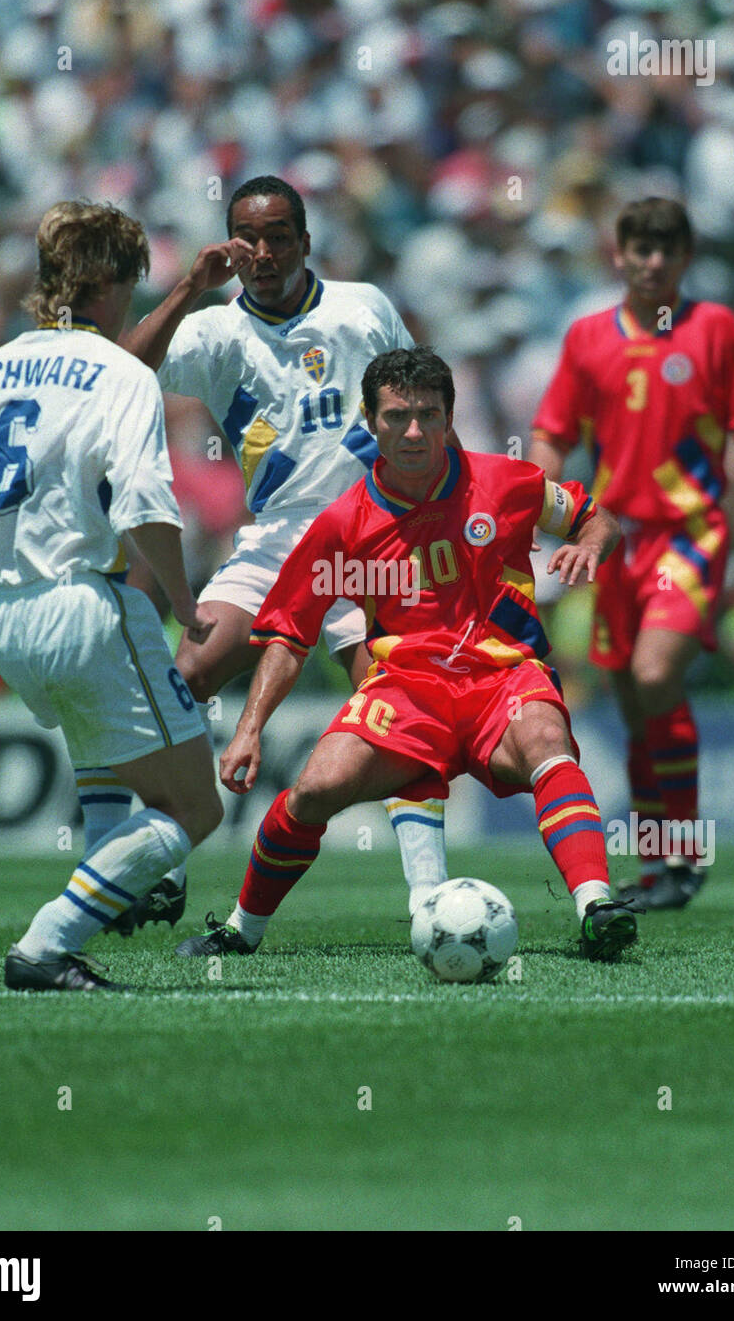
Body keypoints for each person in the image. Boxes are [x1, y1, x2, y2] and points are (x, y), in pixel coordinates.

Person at [194, 346, 637, 963]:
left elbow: (597, 519)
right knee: (313, 792)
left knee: (545, 739)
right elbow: (290, 635)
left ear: (450, 419)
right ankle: (241, 929)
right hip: (405, 689)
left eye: (429, 415)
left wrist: (590, 547)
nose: (413, 431)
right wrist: (248, 730)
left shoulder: (507, 483)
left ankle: (597, 907)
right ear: (370, 422)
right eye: (398, 415)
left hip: (502, 676)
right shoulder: (343, 525)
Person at [118, 175, 452, 942]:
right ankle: (158, 869)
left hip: (373, 538)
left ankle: (430, 900)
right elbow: (121, 372)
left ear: (305, 241)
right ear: (230, 244)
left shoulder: (362, 308)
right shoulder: (212, 332)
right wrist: (184, 291)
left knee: (399, 712)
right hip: (275, 542)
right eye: (247, 238)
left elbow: (424, 405)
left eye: (277, 237)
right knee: (187, 674)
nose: (262, 253)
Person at [0, 200, 222, 990]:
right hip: (85, 604)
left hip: (1, 618)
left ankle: (102, 903)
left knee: (107, 770)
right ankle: (48, 943)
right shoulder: (120, 376)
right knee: (192, 811)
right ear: (112, 285)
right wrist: (184, 604)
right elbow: (145, 504)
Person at [527, 197, 734, 910]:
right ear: (620, 255)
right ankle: (662, 863)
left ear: (685, 258)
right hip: (611, 539)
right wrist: (534, 499)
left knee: (655, 669)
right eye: (641, 248)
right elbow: (553, 431)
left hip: (689, 532)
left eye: (667, 249)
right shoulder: (586, 338)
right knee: (635, 703)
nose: (653, 261)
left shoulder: (716, 329)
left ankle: (685, 851)